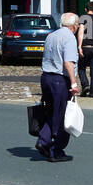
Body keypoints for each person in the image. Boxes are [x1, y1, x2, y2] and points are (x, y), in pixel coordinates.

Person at [37, 12, 81, 162]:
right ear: (74, 26)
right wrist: (74, 83)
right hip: (60, 80)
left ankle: (44, 141)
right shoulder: (69, 37)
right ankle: (55, 150)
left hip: (46, 77)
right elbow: (68, 62)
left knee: (51, 111)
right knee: (62, 115)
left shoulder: (51, 35)